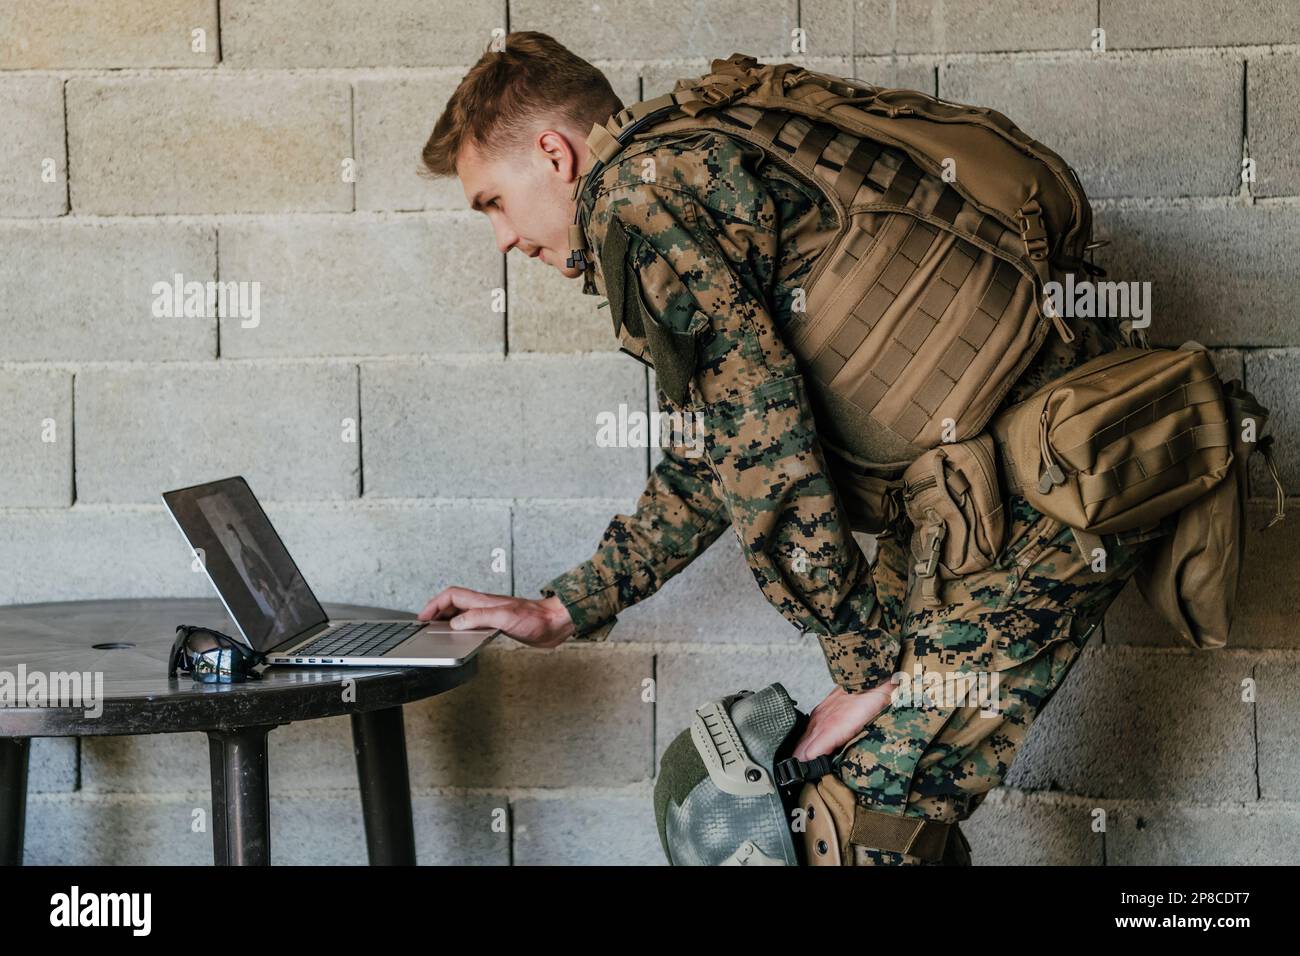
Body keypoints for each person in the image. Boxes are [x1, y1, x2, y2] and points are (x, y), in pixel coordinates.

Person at [414, 31, 1158, 864]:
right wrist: (566, 607)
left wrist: (863, 661)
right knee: (853, 802)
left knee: (853, 823)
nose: (504, 240)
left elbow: (763, 451)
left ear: (554, 154)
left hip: (1050, 480)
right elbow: (721, 447)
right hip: (1006, 473)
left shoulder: (636, 196)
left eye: (491, 203)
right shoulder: (690, 155)